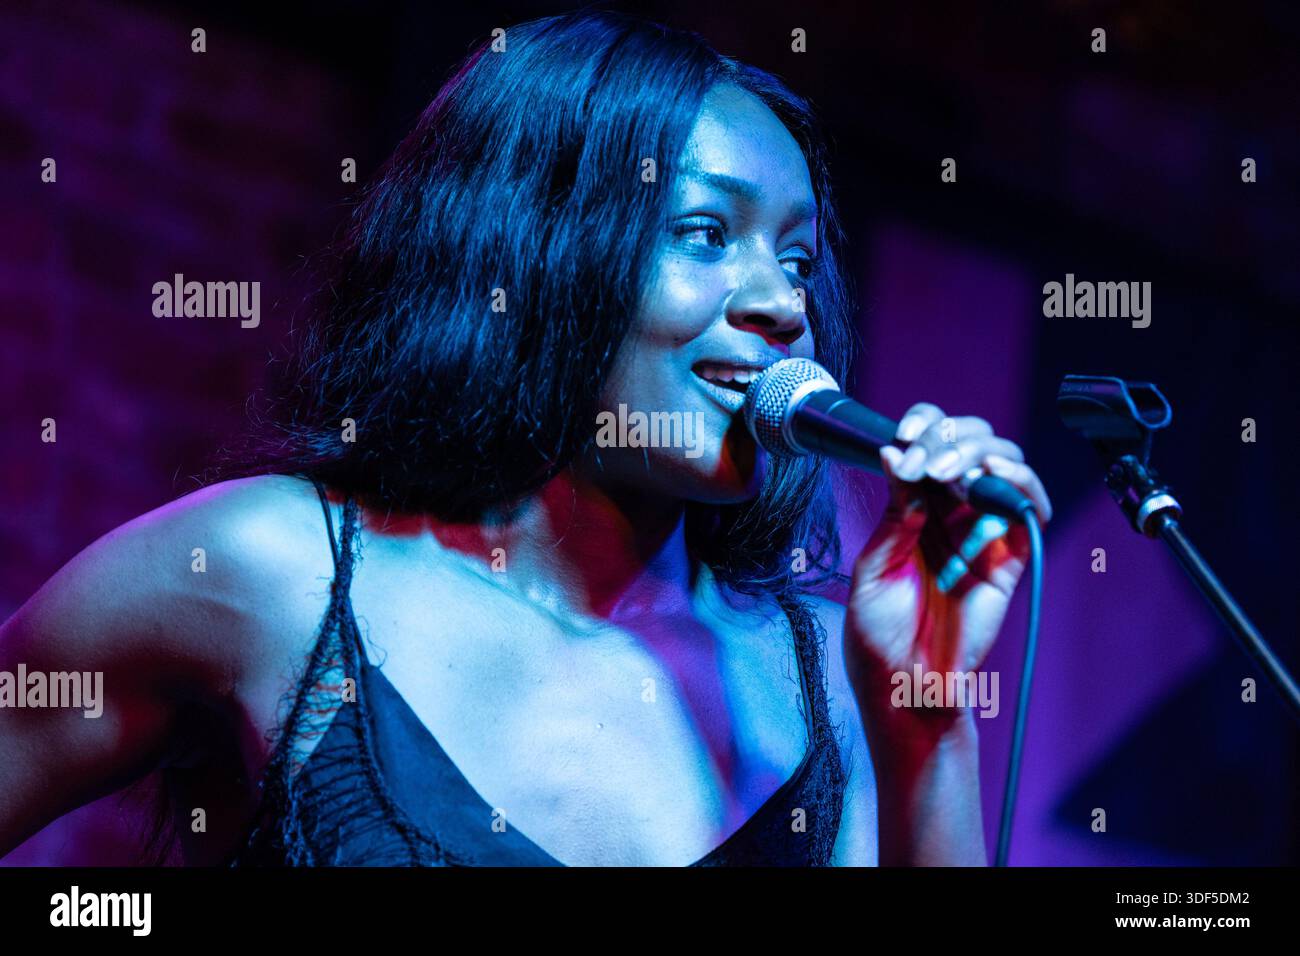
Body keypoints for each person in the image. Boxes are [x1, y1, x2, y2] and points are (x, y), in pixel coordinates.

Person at [0, 10, 1050, 867]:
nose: (783, 302)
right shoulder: (264, 573)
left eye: (798, 255)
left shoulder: (825, 677)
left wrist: (924, 726)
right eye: (703, 234)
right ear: (535, 249)